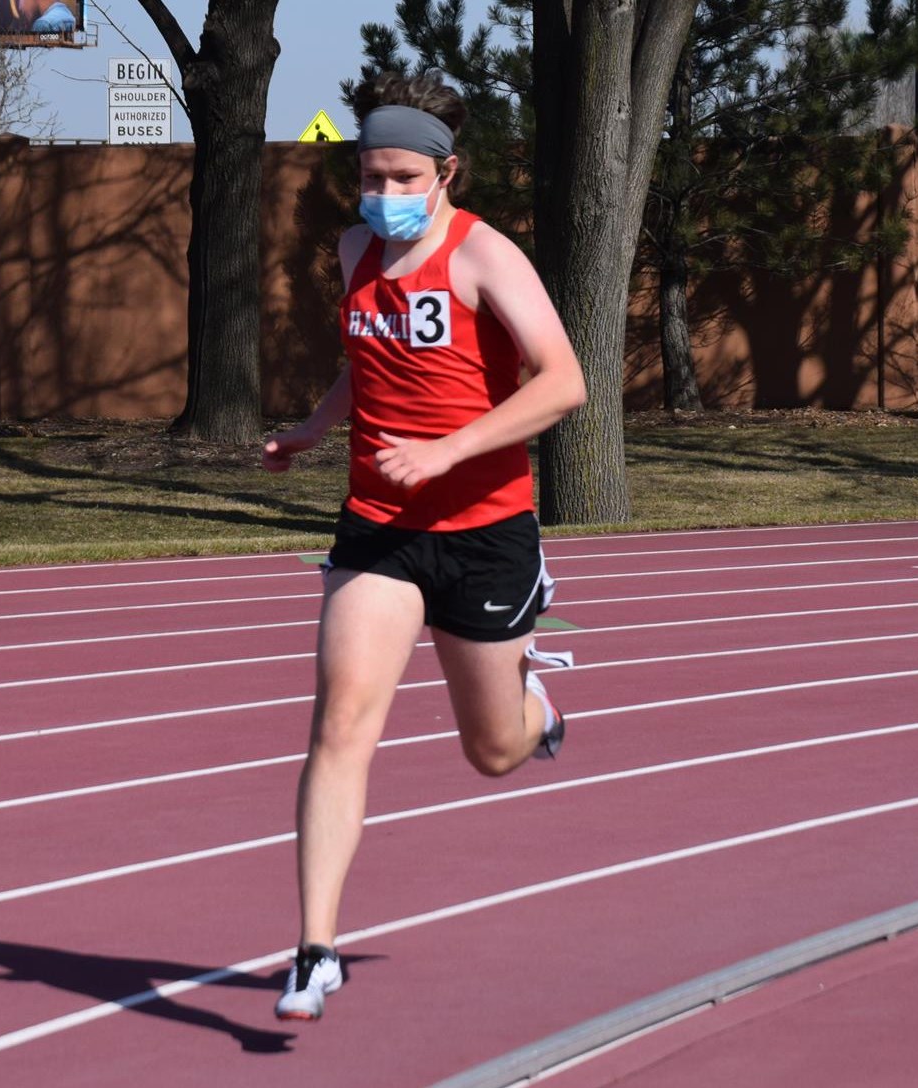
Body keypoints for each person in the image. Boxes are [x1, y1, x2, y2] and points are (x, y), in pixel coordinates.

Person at [260, 71, 588, 1022]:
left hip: (484, 532)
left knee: (492, 752)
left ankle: (535, 704)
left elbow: (563, 382)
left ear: (448, 173)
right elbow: (369, 363)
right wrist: (317, 429)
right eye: (371, 175)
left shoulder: (486, 255)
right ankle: (316, 949)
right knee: (339, 723)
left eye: (406, 176)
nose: (386, 194)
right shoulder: (355, 247)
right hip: (379, 530)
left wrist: (446, 450)